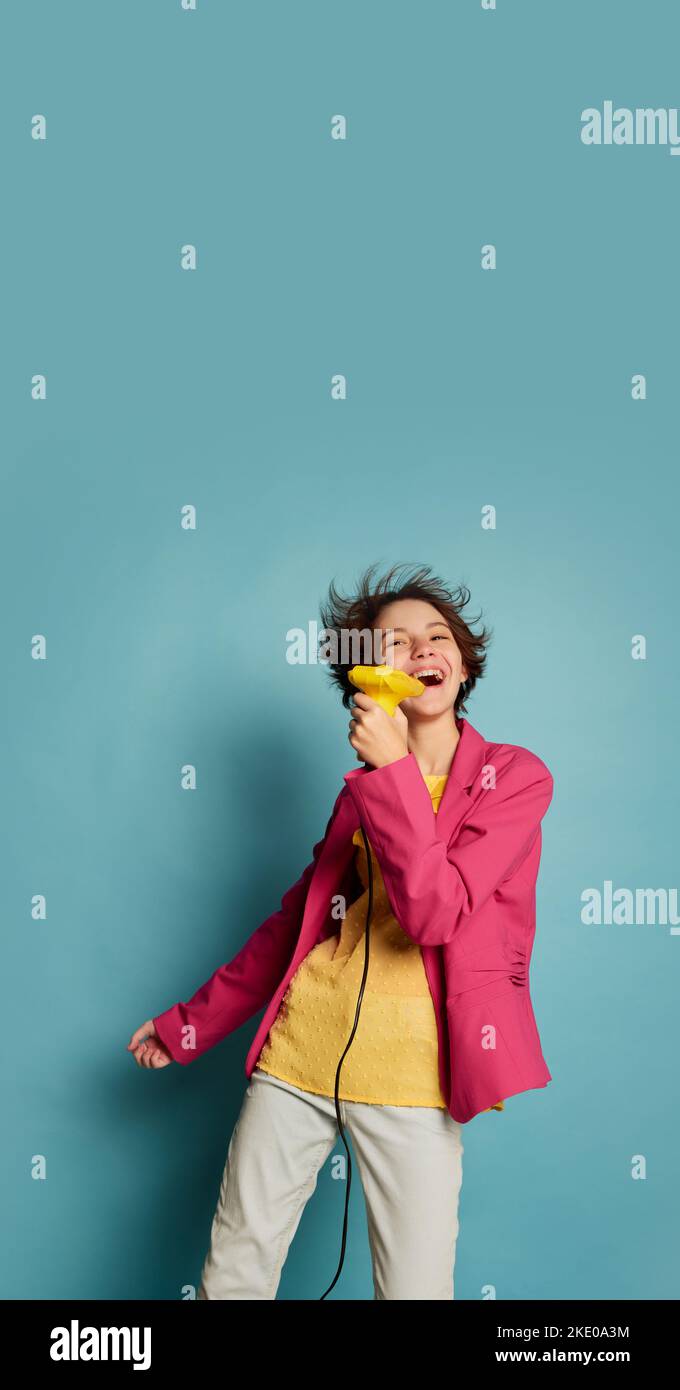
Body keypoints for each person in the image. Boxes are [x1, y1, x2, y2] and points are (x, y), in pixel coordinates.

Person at [128, 562, 554, 1300]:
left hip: (415, 1077)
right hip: (299, 1056)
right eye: (395, 643)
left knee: (415, 1291)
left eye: (437, 635)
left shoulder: (513, 778)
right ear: (367, 678)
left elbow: (434, 913)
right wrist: (185, 1028)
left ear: (462, 658)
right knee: (235, 1267)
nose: (422, 649)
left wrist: (390, 771)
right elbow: (295, 925)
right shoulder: (360, 792)